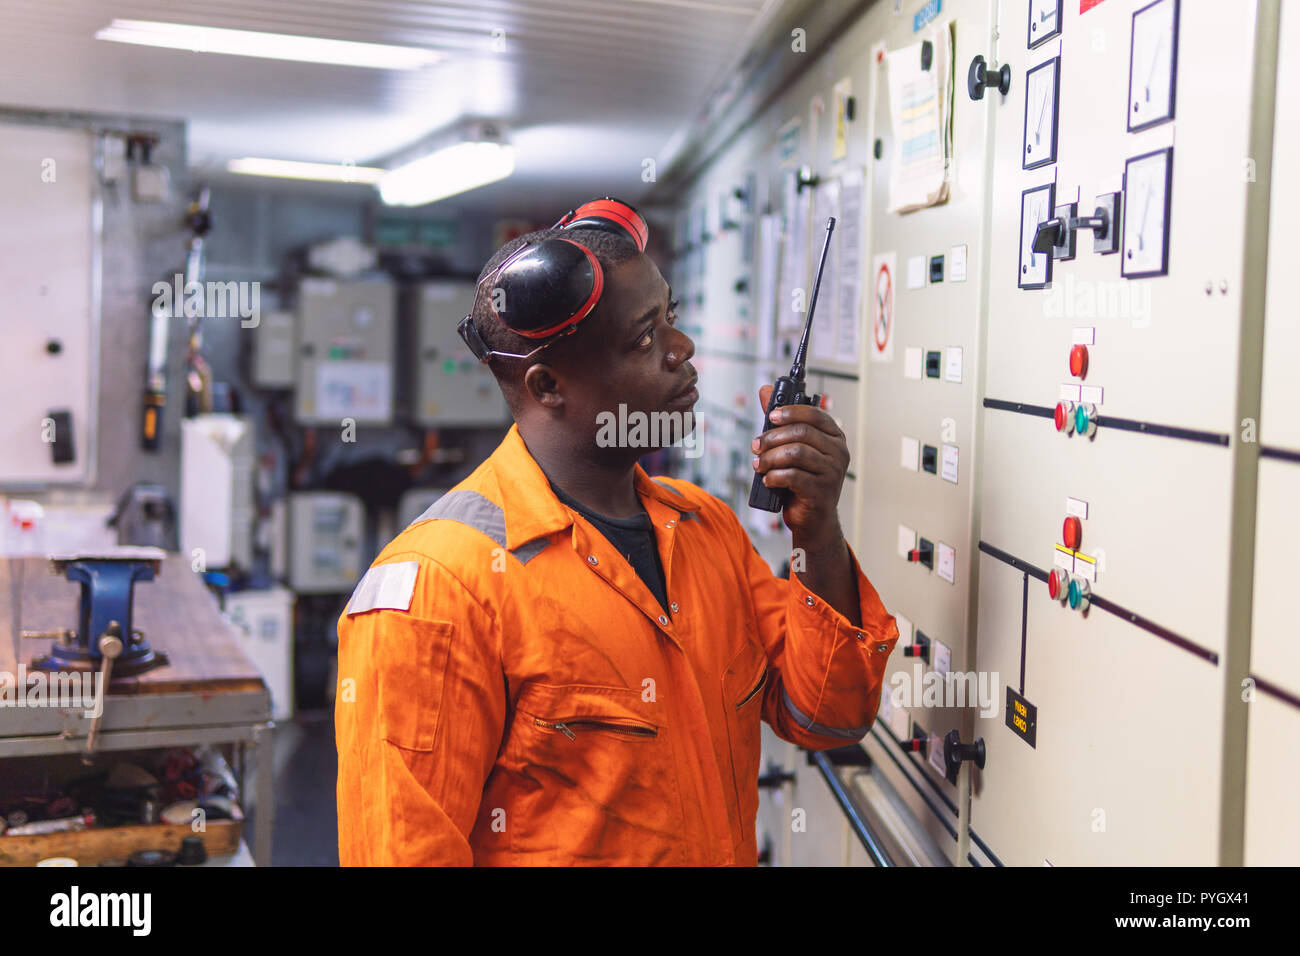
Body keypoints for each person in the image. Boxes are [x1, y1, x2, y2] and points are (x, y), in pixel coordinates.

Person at [334, 198, 899, 865]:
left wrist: (818, 532)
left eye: (672, 320)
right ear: (548, 386)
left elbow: (829, 716)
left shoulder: (704, 528)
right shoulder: (439, 592)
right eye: (644, 338)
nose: (682, 351)